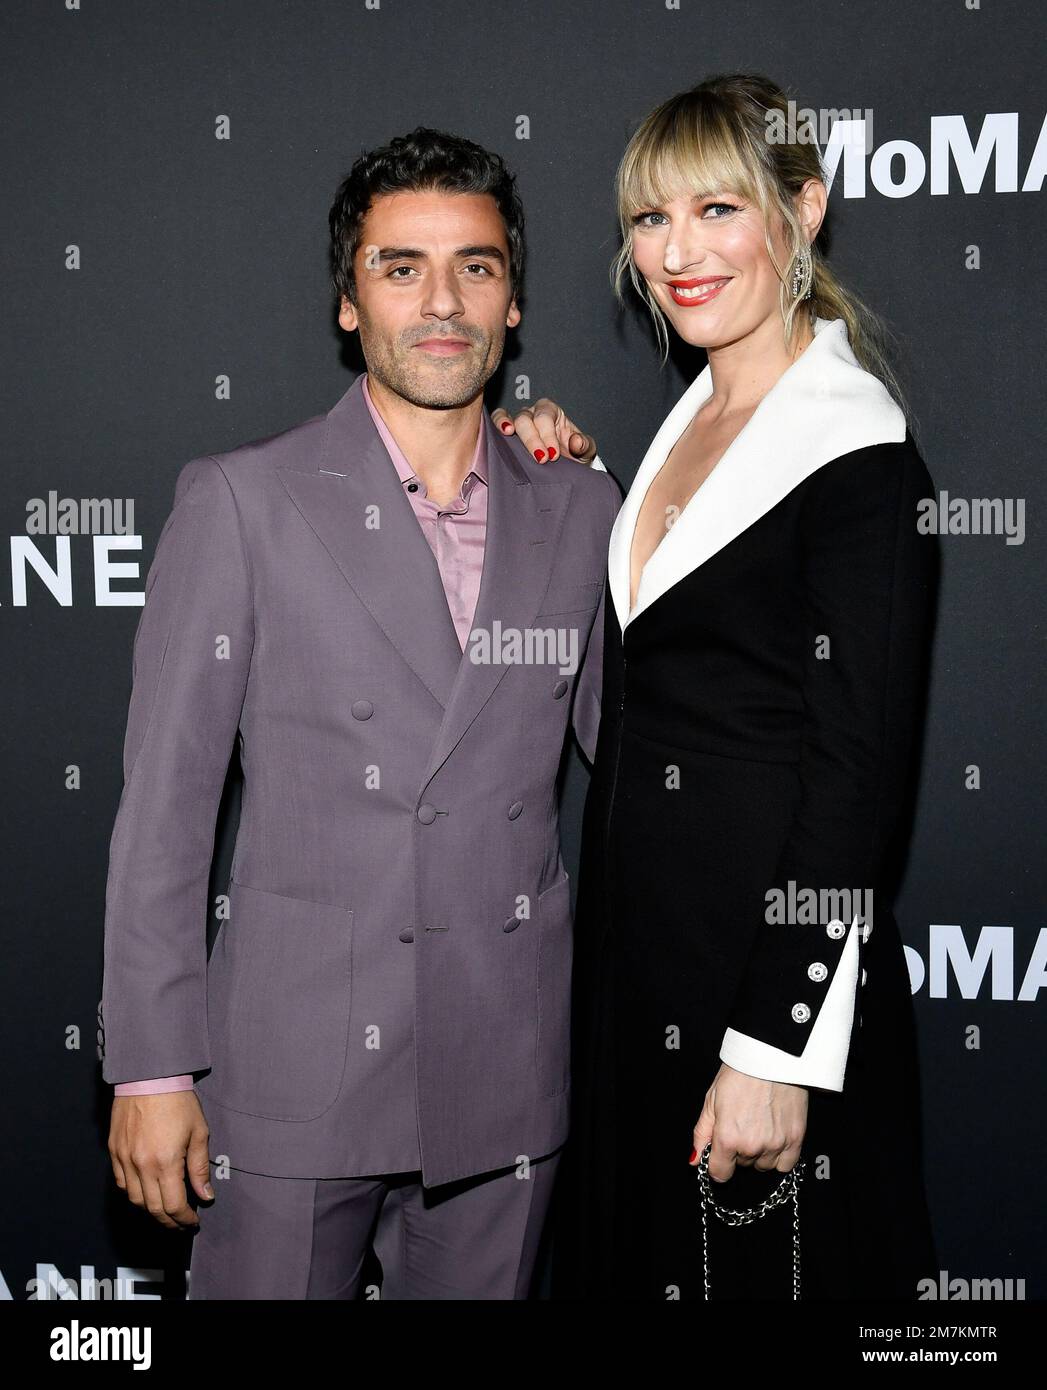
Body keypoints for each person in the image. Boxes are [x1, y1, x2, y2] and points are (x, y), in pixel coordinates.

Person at [100, 127, 620, 1299]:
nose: (442, 302)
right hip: (292, 1074)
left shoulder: (583, 508)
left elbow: (637, 761)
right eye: (401, 268)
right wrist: (147, 1069)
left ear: (515, 299)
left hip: (504, 1075)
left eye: (475, 267)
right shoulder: (244, 499)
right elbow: (166, 811)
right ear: (350, 302)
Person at [498, 73, 940, 1299]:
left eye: (716, 209)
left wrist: (772, 1047)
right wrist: (570, 477)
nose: (678, 253)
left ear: (804, 208)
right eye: (649, 220)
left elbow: (857, 779)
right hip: (638, 968)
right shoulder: (696, 412)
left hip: (758, 982)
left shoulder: (859, 453)